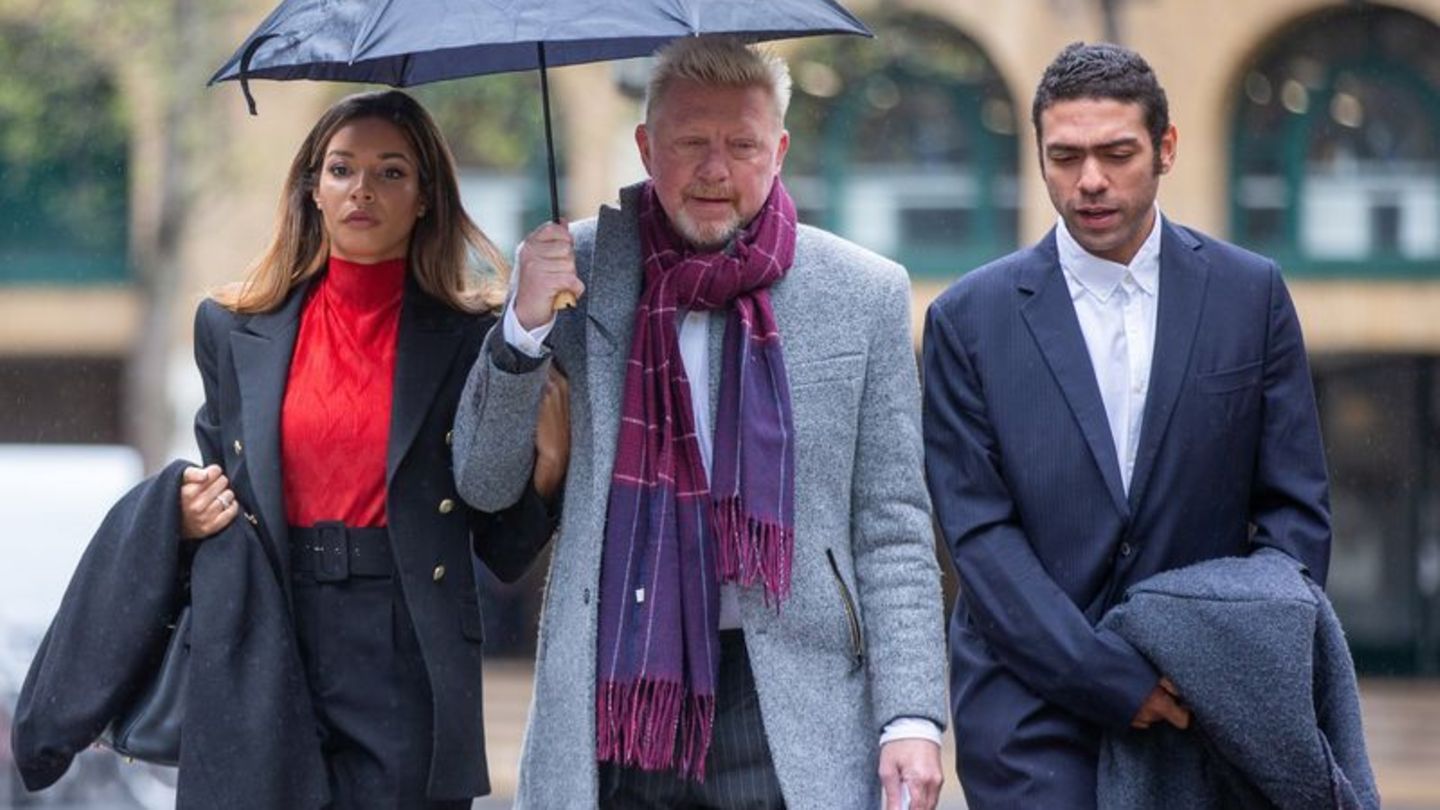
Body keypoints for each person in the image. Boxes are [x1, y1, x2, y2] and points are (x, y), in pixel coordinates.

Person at [453, 36, 948, 810]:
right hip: (619, 683)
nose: (715, 169)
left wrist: (912, 716)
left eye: (741, 145)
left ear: (779, 151)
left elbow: (892, 526)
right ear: (647, 147)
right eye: (690, 143)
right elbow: (484, 482)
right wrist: (522, 330)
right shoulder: (572, 271)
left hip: (792, 695)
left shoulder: (863, 293)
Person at [922, 42, 1332, 808]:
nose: (1090, 181)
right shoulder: (966, 320)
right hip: (1030, 713)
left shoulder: (1252, 295)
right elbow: (979, 536)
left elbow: (1295, 513)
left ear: (1165, 148)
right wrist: (1107, 677)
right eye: (1065, 156)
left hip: (1209, 708)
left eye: (1117, 153)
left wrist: (1242, 653)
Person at [183, 89, 565, 808]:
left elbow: (503, 546)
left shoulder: (472, 340)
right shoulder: (230, 329)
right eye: (341, 169)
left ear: (425, 198)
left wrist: (547, 469)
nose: (362, 189)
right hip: (270, 632)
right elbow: (223, 490)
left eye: (391, 172)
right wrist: (188, 512)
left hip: (407, 643)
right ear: (312, 189)